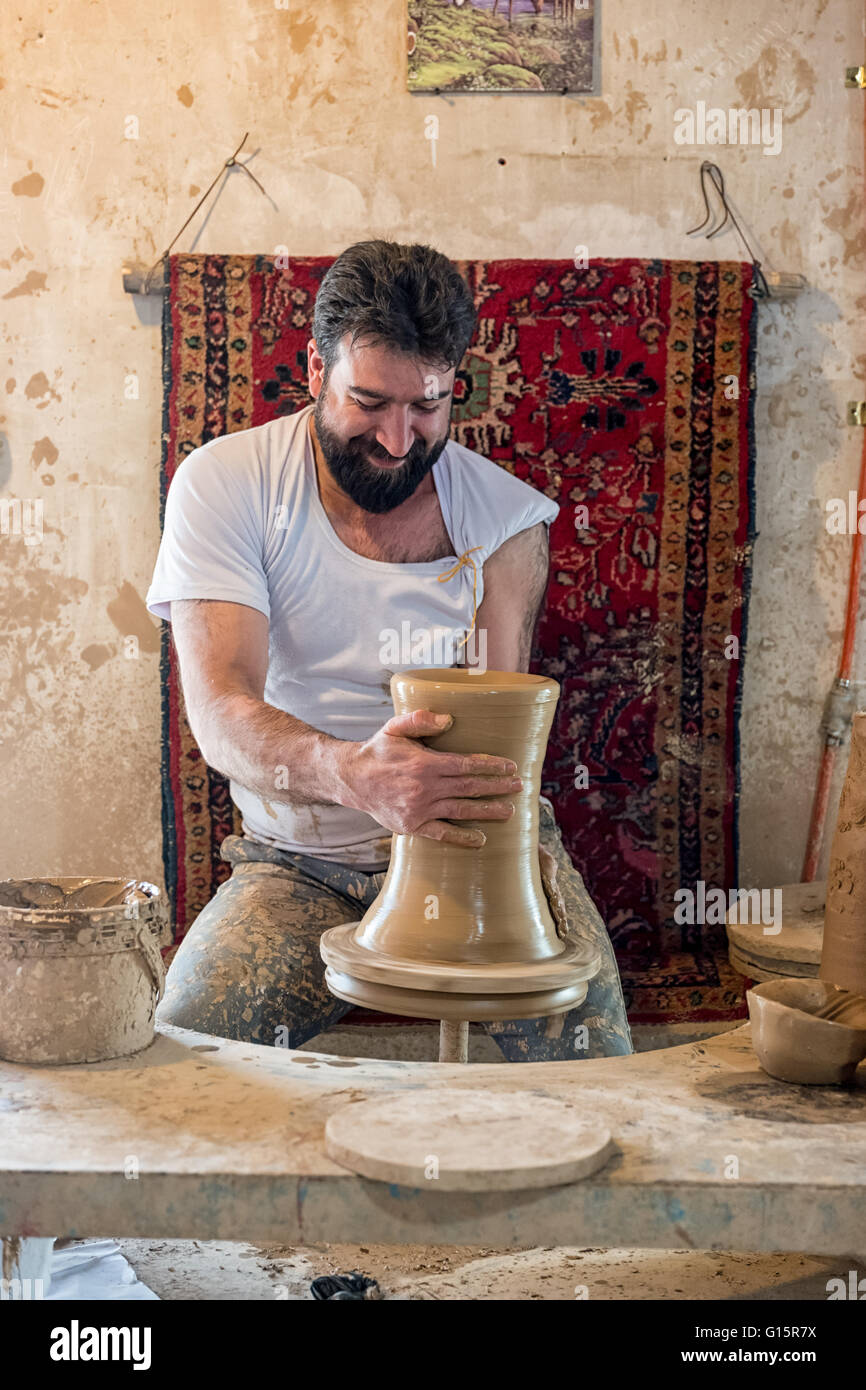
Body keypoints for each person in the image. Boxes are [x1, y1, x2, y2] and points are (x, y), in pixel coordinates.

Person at [145, 239, 632, 1061]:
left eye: (428, 407)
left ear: (454, 387)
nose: (401, 441)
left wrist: (448, 839)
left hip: (474, 846)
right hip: (298, 861)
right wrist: (353, 775)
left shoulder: (506, 522)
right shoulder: (227, 486)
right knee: (182, 1058)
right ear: (313, 371)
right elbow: (221, 711)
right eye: (369, 403)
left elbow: (504, 740)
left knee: (590, 1072)